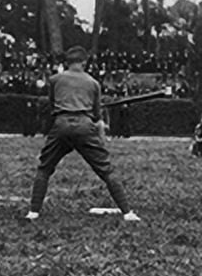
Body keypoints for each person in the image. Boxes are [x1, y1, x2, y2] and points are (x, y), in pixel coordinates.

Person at [25, 46, 140, 223]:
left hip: (61, 125)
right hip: (85, 126)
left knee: (44, 169)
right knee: (106, 170)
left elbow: (53, 104)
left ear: (67, 62)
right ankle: (127, 212)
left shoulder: (55, 80)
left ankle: (33, 212)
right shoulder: (93, 83)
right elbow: (96, 114)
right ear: (84, 62)